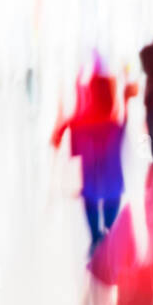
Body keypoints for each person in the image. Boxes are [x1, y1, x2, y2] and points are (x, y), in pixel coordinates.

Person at [52, 70, 125, 252]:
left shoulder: (80, 125)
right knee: (112, 199)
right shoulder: (116, 126)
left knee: (90, 198)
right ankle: (109, 235)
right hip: (113, 186)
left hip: (91, 185)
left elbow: (74, 152)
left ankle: (95, 240)